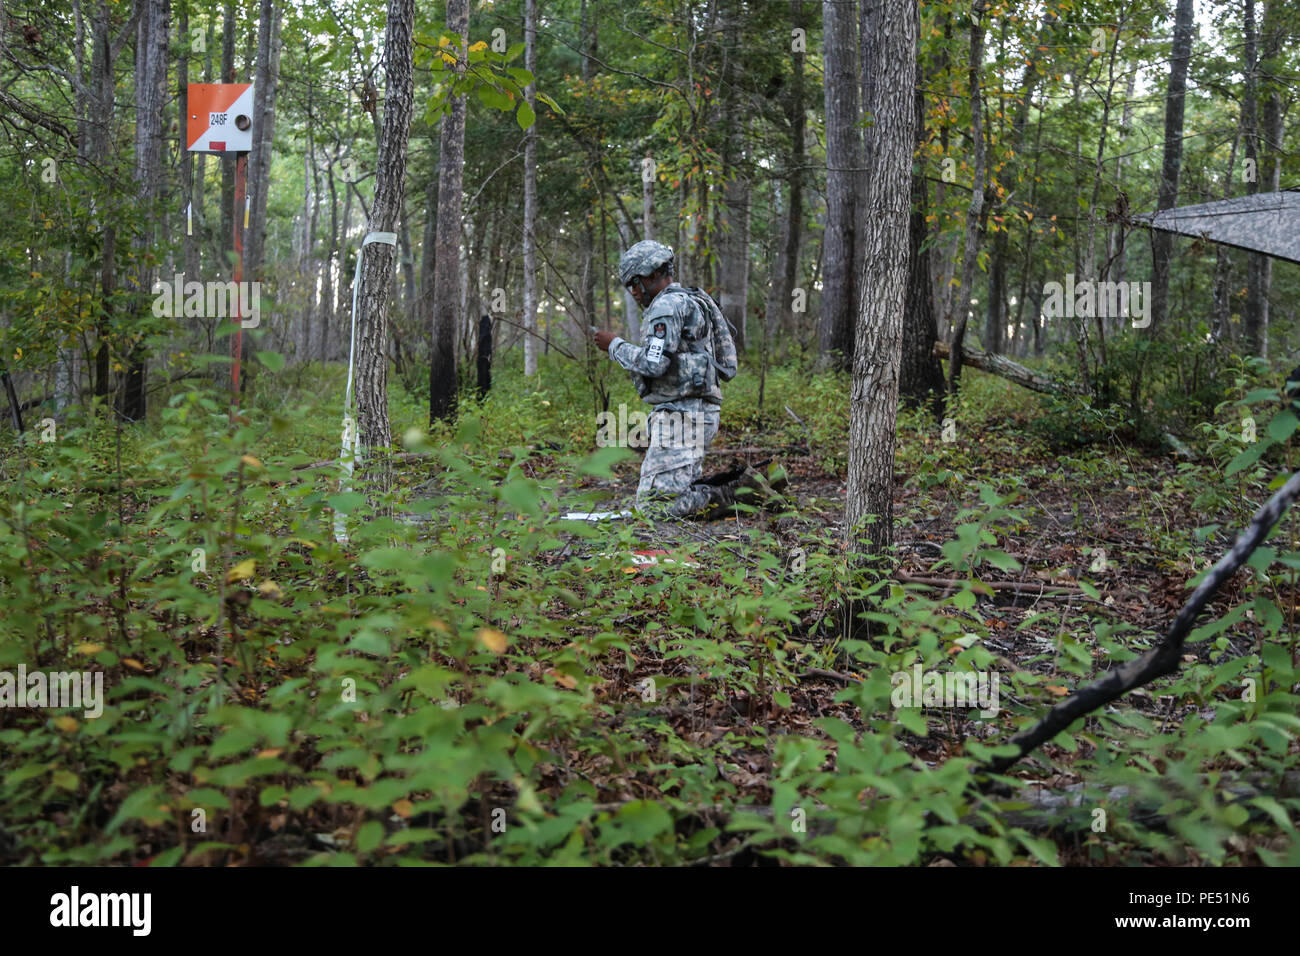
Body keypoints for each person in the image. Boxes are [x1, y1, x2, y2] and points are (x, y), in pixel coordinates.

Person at [591, 240, 775, 518]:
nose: (634, 292)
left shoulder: (666, 307)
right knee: (673, 495)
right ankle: (744, 491)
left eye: (635, 283)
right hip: (690, 413)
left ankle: (748, 492)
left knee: (655, 507)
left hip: (685, 416)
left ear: (652, 275)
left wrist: (614, 345)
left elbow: (654, 364)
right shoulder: (687, 299)